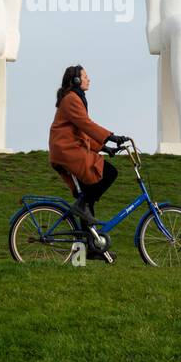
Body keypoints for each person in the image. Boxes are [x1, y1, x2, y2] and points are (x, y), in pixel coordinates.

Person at [48, 65, 128, 258]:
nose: (89, 79)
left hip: (70, 148)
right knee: (109, 172)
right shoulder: (72, 99)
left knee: (88, 200)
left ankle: (90, 250)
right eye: (85, 76)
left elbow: (82, 131)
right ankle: (81, 205)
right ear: (75, 80)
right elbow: (86, 124)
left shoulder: (75, 98)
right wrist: (110, 136)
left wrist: (103, 147)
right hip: (67, 150)